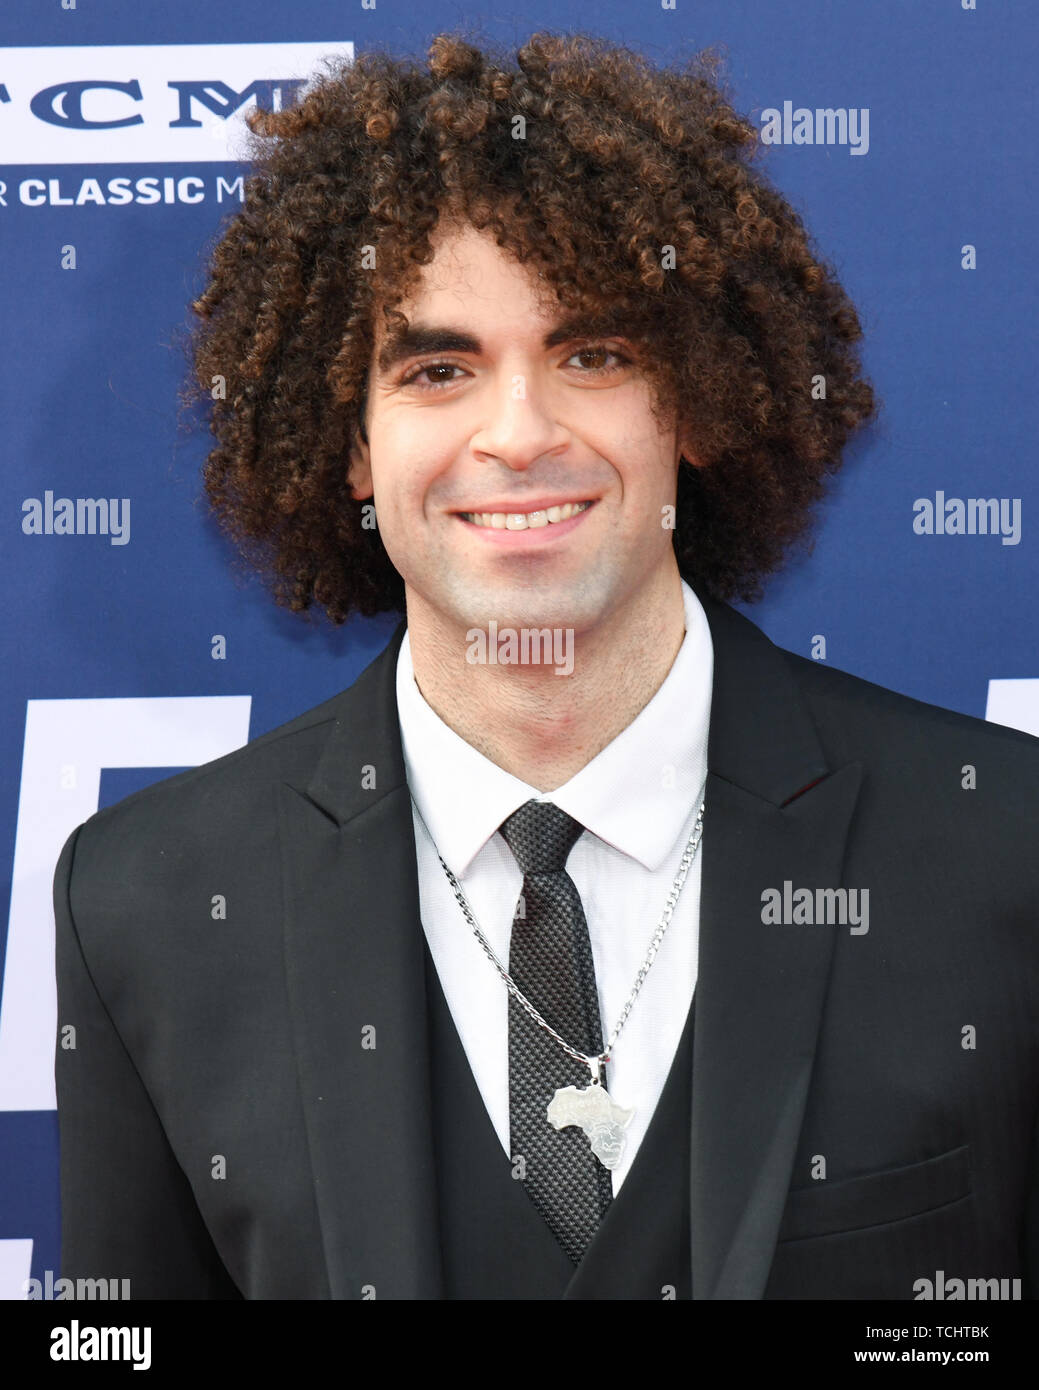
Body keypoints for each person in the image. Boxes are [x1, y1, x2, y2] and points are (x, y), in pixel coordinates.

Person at [53, 31, 1039, 1300]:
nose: (517, 435)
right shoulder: (148, 901)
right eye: (438, 368)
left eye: (593, 355)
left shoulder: (998, 845)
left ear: (695, 404)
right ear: (348, 444)